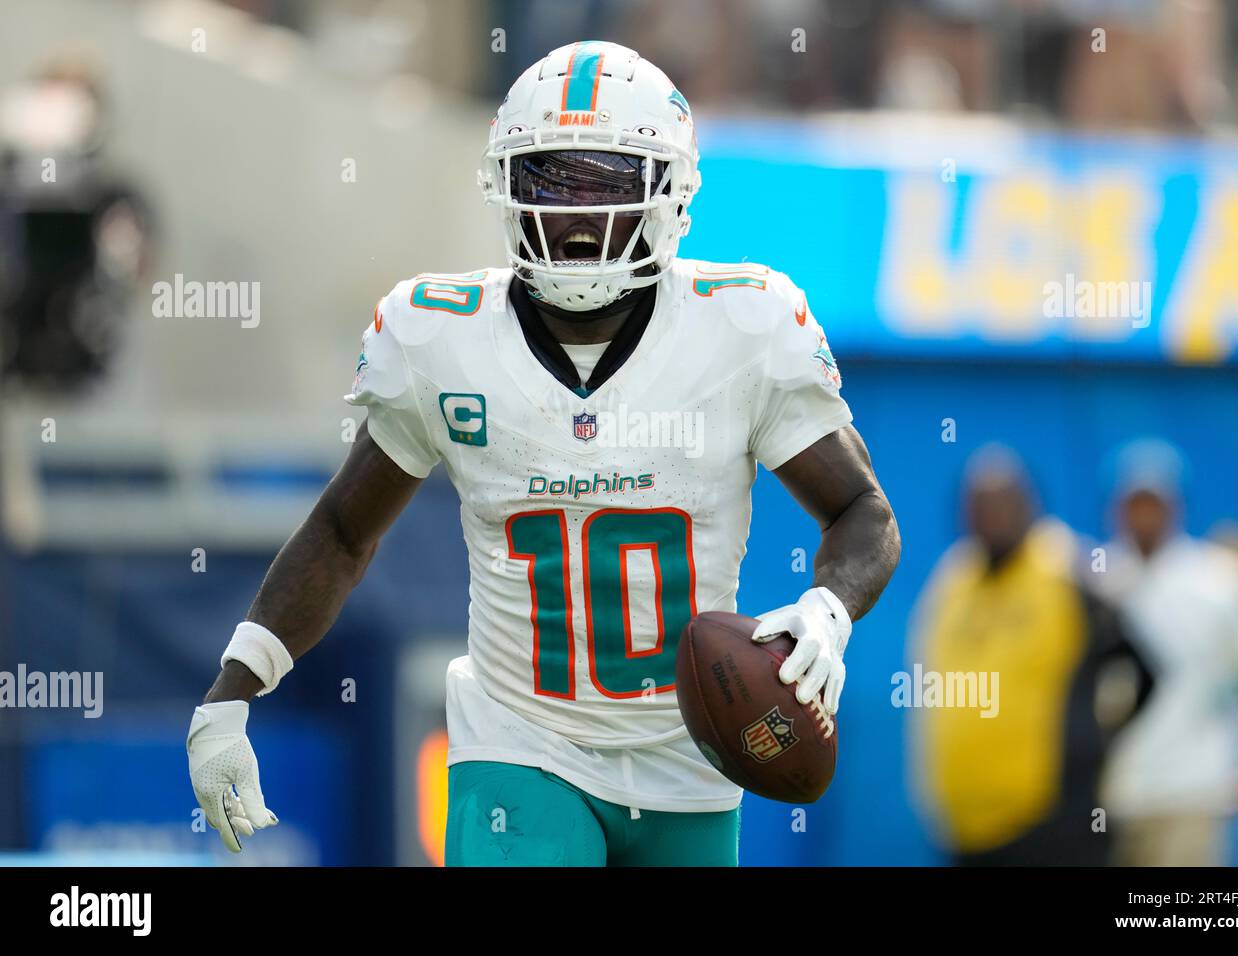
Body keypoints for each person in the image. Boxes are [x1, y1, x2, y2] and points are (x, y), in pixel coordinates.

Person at [185, 41, 900, 867]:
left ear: (668, 193)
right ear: (507, 187)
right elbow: (345, 531)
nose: (577, 213)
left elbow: (863, 513)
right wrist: (230, 695)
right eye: (552, 181)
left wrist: (827, 611)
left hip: (693, 755)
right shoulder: (441, 340)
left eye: (607, 182)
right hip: (521, 743)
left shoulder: (742, 330)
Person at [910, 445, 1152, 866]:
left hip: (1053, 824)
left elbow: (1144, 669)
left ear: (1030, 505)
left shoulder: (1067, 571)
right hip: (965, 830)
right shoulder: (952, 583)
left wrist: (1097, 741)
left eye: (1003, 503)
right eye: (978, 505)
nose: (990, 515)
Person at [1096, 439, 1238, 866]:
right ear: (1116, 508)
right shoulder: (1097, 578)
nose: (1143, 514)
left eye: (1153, 503)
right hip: (1111, 796)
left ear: (1176, 506)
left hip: (1191, 791)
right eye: (1134, 503)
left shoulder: (1220, 579)